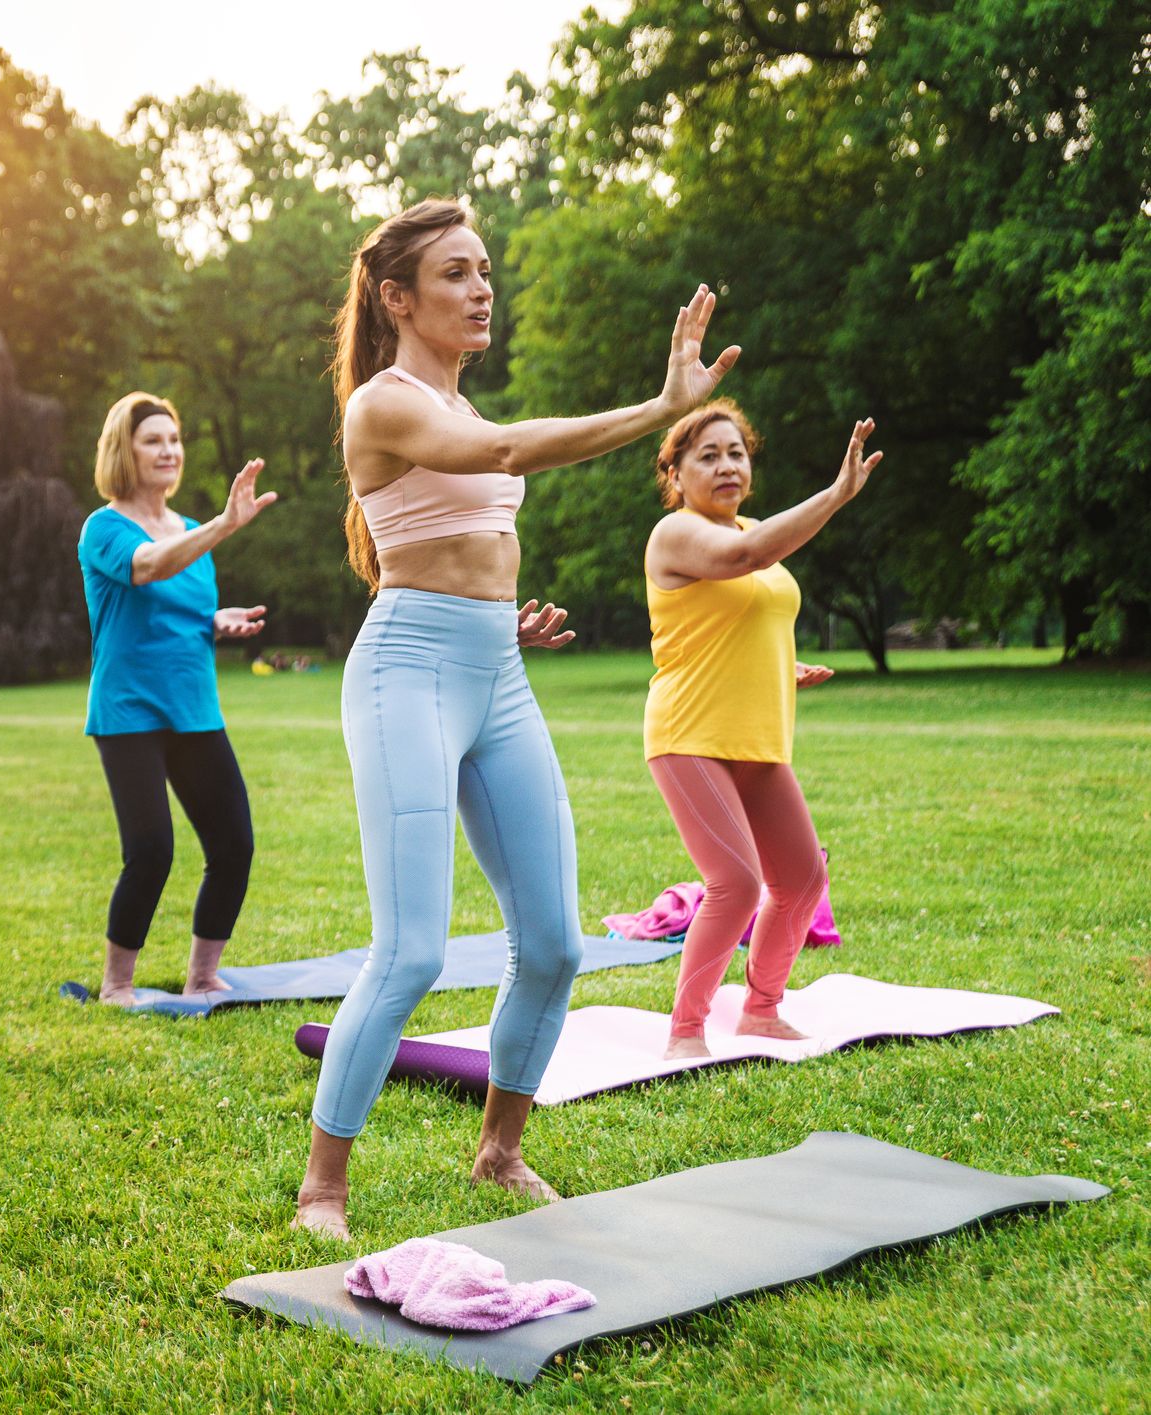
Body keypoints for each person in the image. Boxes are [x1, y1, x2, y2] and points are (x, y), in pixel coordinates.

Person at [295, 198, 740, 1236]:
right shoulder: (382, 404)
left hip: (492, 672)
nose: (481, 288)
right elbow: (499, 457)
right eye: (455, 273)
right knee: (408, 951)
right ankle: (323, 1185)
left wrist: (502, 622)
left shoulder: (453, 408)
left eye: (485, 269)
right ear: (397, 298)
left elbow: (472, 519)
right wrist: (657, 406)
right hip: (403, 672)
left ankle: (499, 1151)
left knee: (552, 943)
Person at [644, 400, 880, 1060]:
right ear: (676, 473)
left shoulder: (750, 527)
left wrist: (781, 665)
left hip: (754, 735)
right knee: (736, 882)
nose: (726, 465)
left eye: (736, 453)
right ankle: (685, 1029)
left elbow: (740, 615)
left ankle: (761, 1010)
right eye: (707, 455)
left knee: (801, 878)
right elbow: (746, 555)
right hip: (689, 734)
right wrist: (835, 496)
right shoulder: (676, 534)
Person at [78, 392, 272, 1005]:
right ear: (124, 452)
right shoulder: (104, 528)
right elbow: (147, 569)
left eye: (174, 440)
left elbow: (176, 606)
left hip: (193, 708)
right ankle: (117, 983)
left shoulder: (189, 531)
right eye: (152, 440)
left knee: (233, 844)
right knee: (151, 850)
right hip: (129, 712)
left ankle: (203, 973)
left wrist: (216, 621)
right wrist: (225, 525)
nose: (168, 451)